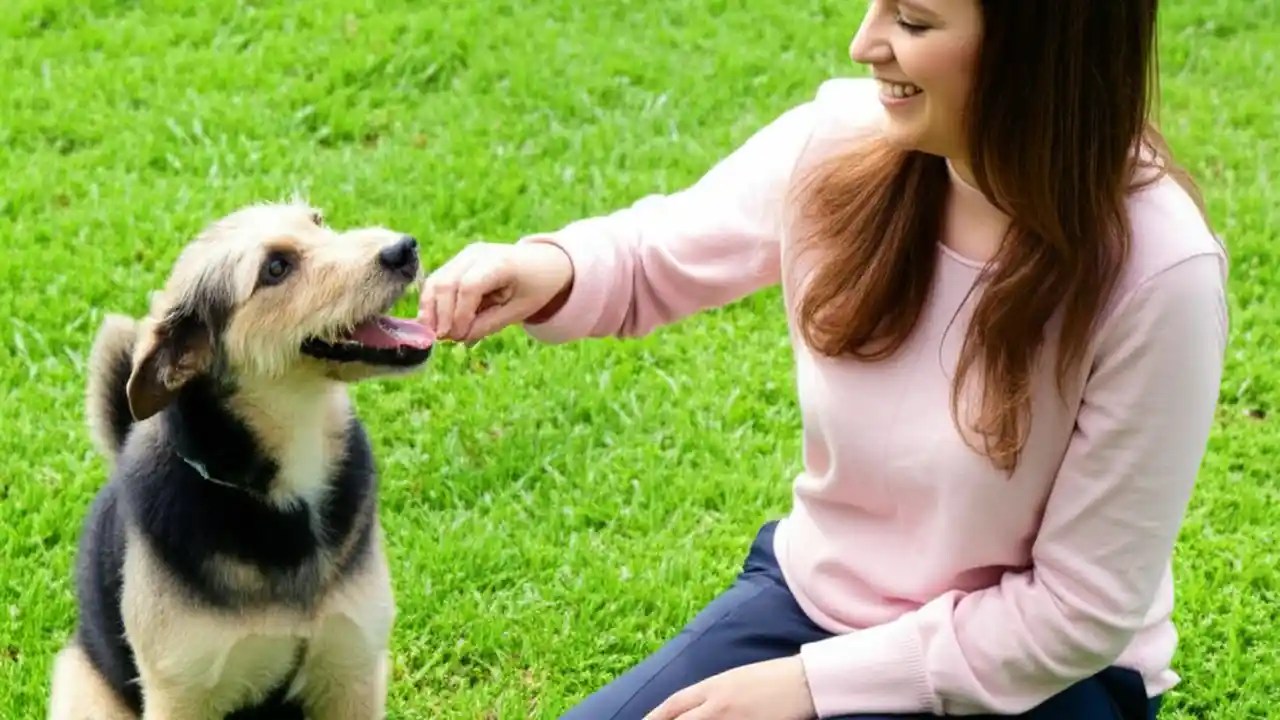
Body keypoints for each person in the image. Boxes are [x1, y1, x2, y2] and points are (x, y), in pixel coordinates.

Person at [417, 0, 1228, 718]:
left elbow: (1076, 613)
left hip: (1034, 682)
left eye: (911, 21)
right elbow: (658, 252)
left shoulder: (1160, 273)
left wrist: (810, 688)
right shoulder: (844, 139)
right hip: (815, 603)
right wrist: (548, 270)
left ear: (1036, 47)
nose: (863, 42)